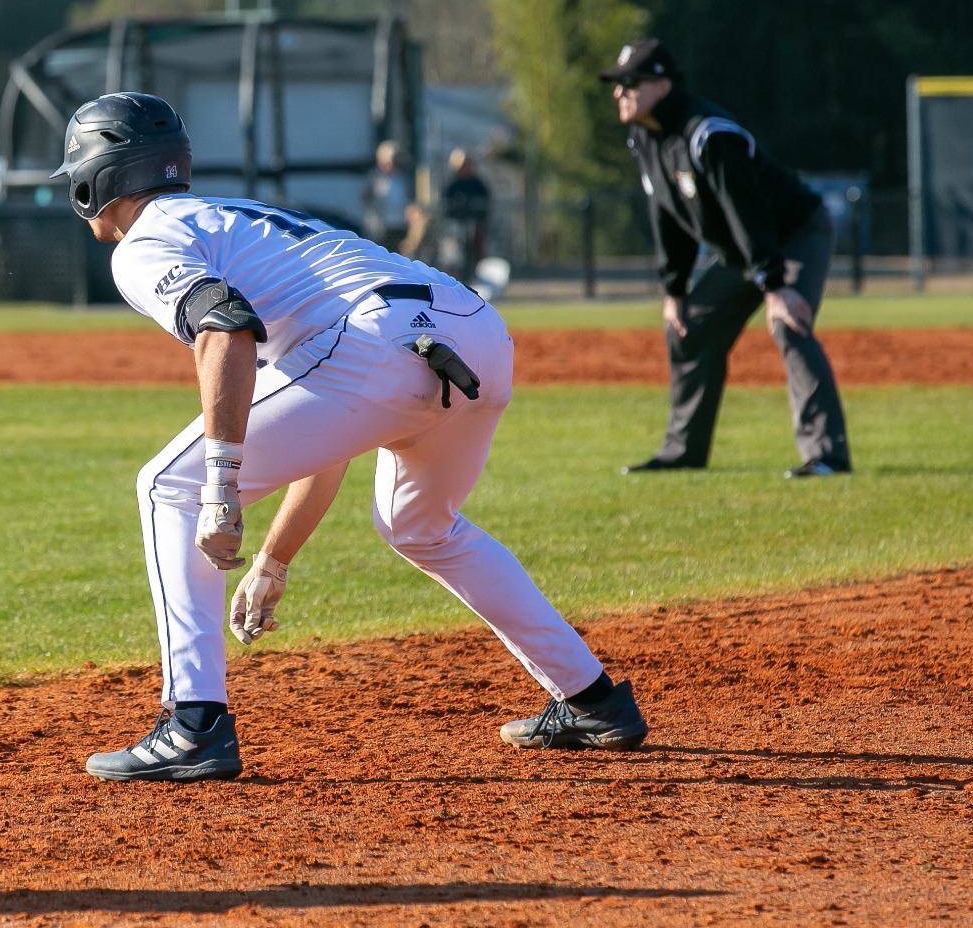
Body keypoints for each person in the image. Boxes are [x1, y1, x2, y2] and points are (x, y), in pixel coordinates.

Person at [54, 92, 648, 782]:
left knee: (169, 484)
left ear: (95, 177)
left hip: (374, 342)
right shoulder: (235, 218)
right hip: (473, 329)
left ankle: (194, 723)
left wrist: (221, 482)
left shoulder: (146, 240)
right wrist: (273, 560)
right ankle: (592, 698)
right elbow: (332, 418)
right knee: (419, 524)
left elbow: (224, 324)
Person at [602, 39, 851, 479]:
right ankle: (683, 453)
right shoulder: (645, 136)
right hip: (743, 251)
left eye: (629, 83)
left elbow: (748, 213)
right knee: (688, 328)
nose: (619, 93)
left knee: (788, 322)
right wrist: (675, 289)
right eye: (617, 84)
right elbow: (667, 213)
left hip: (794, 234)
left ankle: (827, 456)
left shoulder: (710, 135)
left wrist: (775, 287)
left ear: (661, 84)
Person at [441, 148, 492, 282]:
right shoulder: (453, 185)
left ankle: (476, 275)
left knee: (475, 248)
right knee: (453, 252)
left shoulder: (478, 184)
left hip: (473, 223)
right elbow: (447, 206)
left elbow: (485, 204)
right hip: (456, 224)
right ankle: (454, 277)